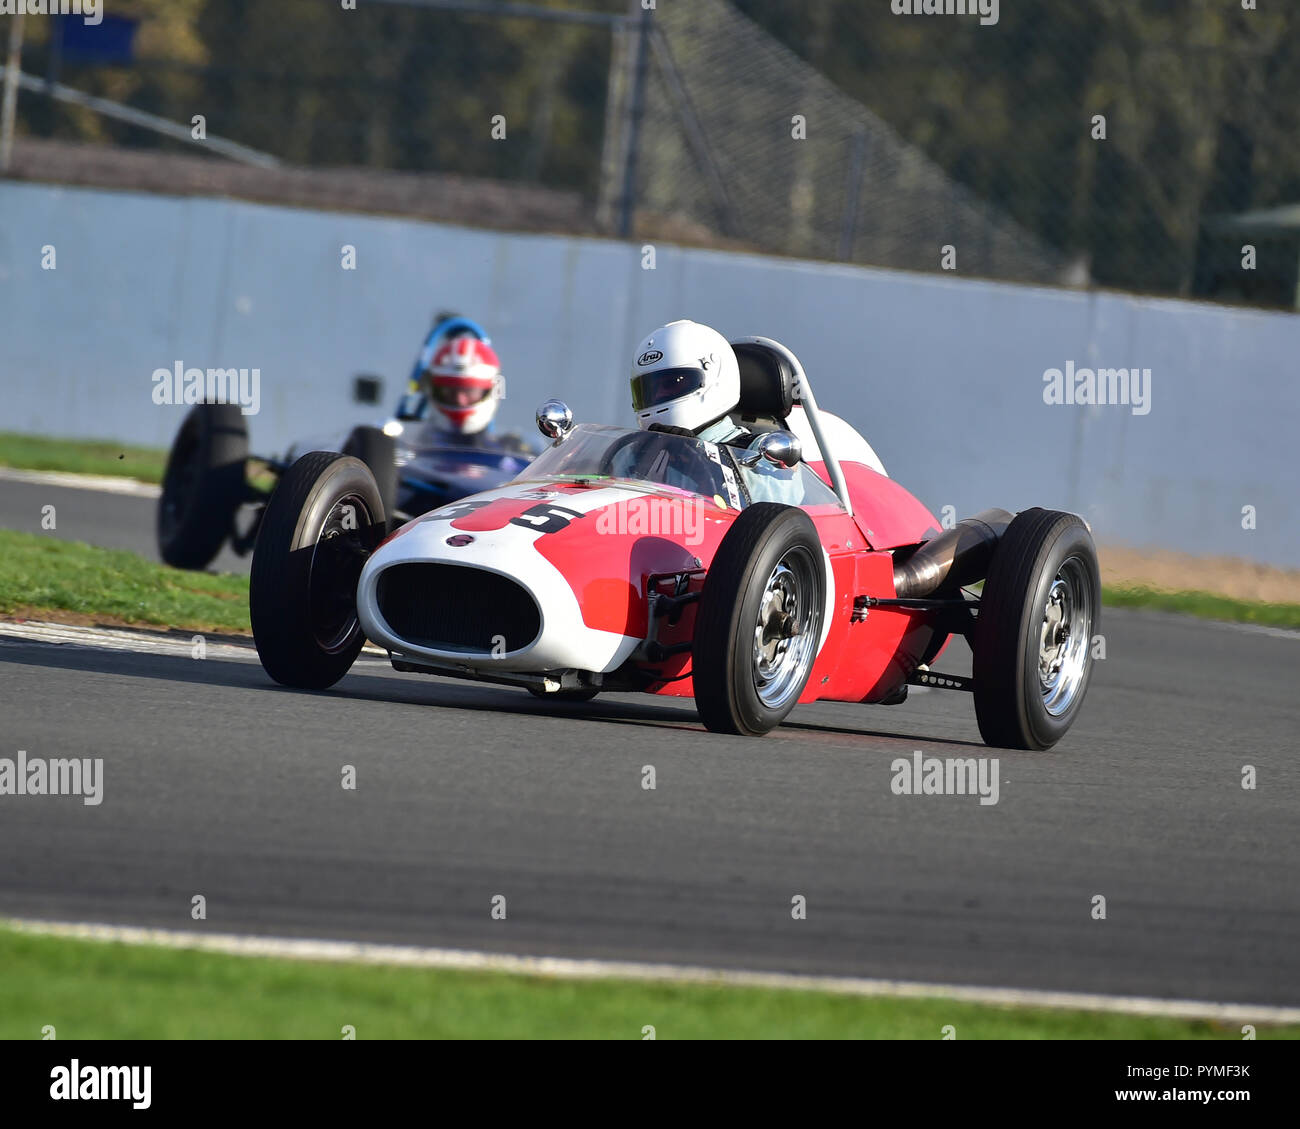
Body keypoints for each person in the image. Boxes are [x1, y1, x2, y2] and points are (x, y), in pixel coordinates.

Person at [629, 319, 805, 503]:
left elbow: (777, 511)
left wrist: (705, 469)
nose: (658, 395)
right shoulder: (636, 452)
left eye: (672, 383)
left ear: (713, 377)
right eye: (648, 390)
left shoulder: (760, 452)